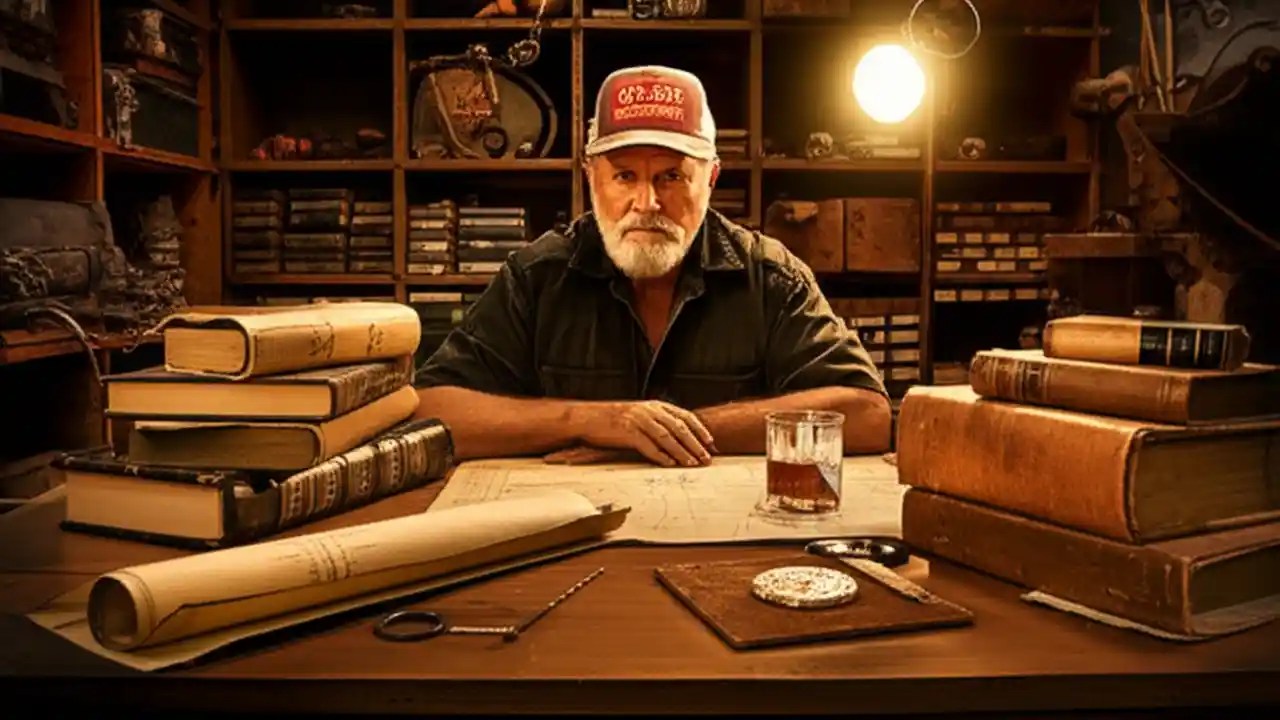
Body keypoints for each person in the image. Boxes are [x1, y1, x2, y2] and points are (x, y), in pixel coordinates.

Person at [414, 65, 890, 467]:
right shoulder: (536, 277)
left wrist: (676, 432)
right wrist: (598, 421)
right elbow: (431, 409)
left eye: (671, 177)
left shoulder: (769, 276)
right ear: (591, 178)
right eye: (625, 175)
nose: (647, 202)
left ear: (711, 179)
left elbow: (868, 414)